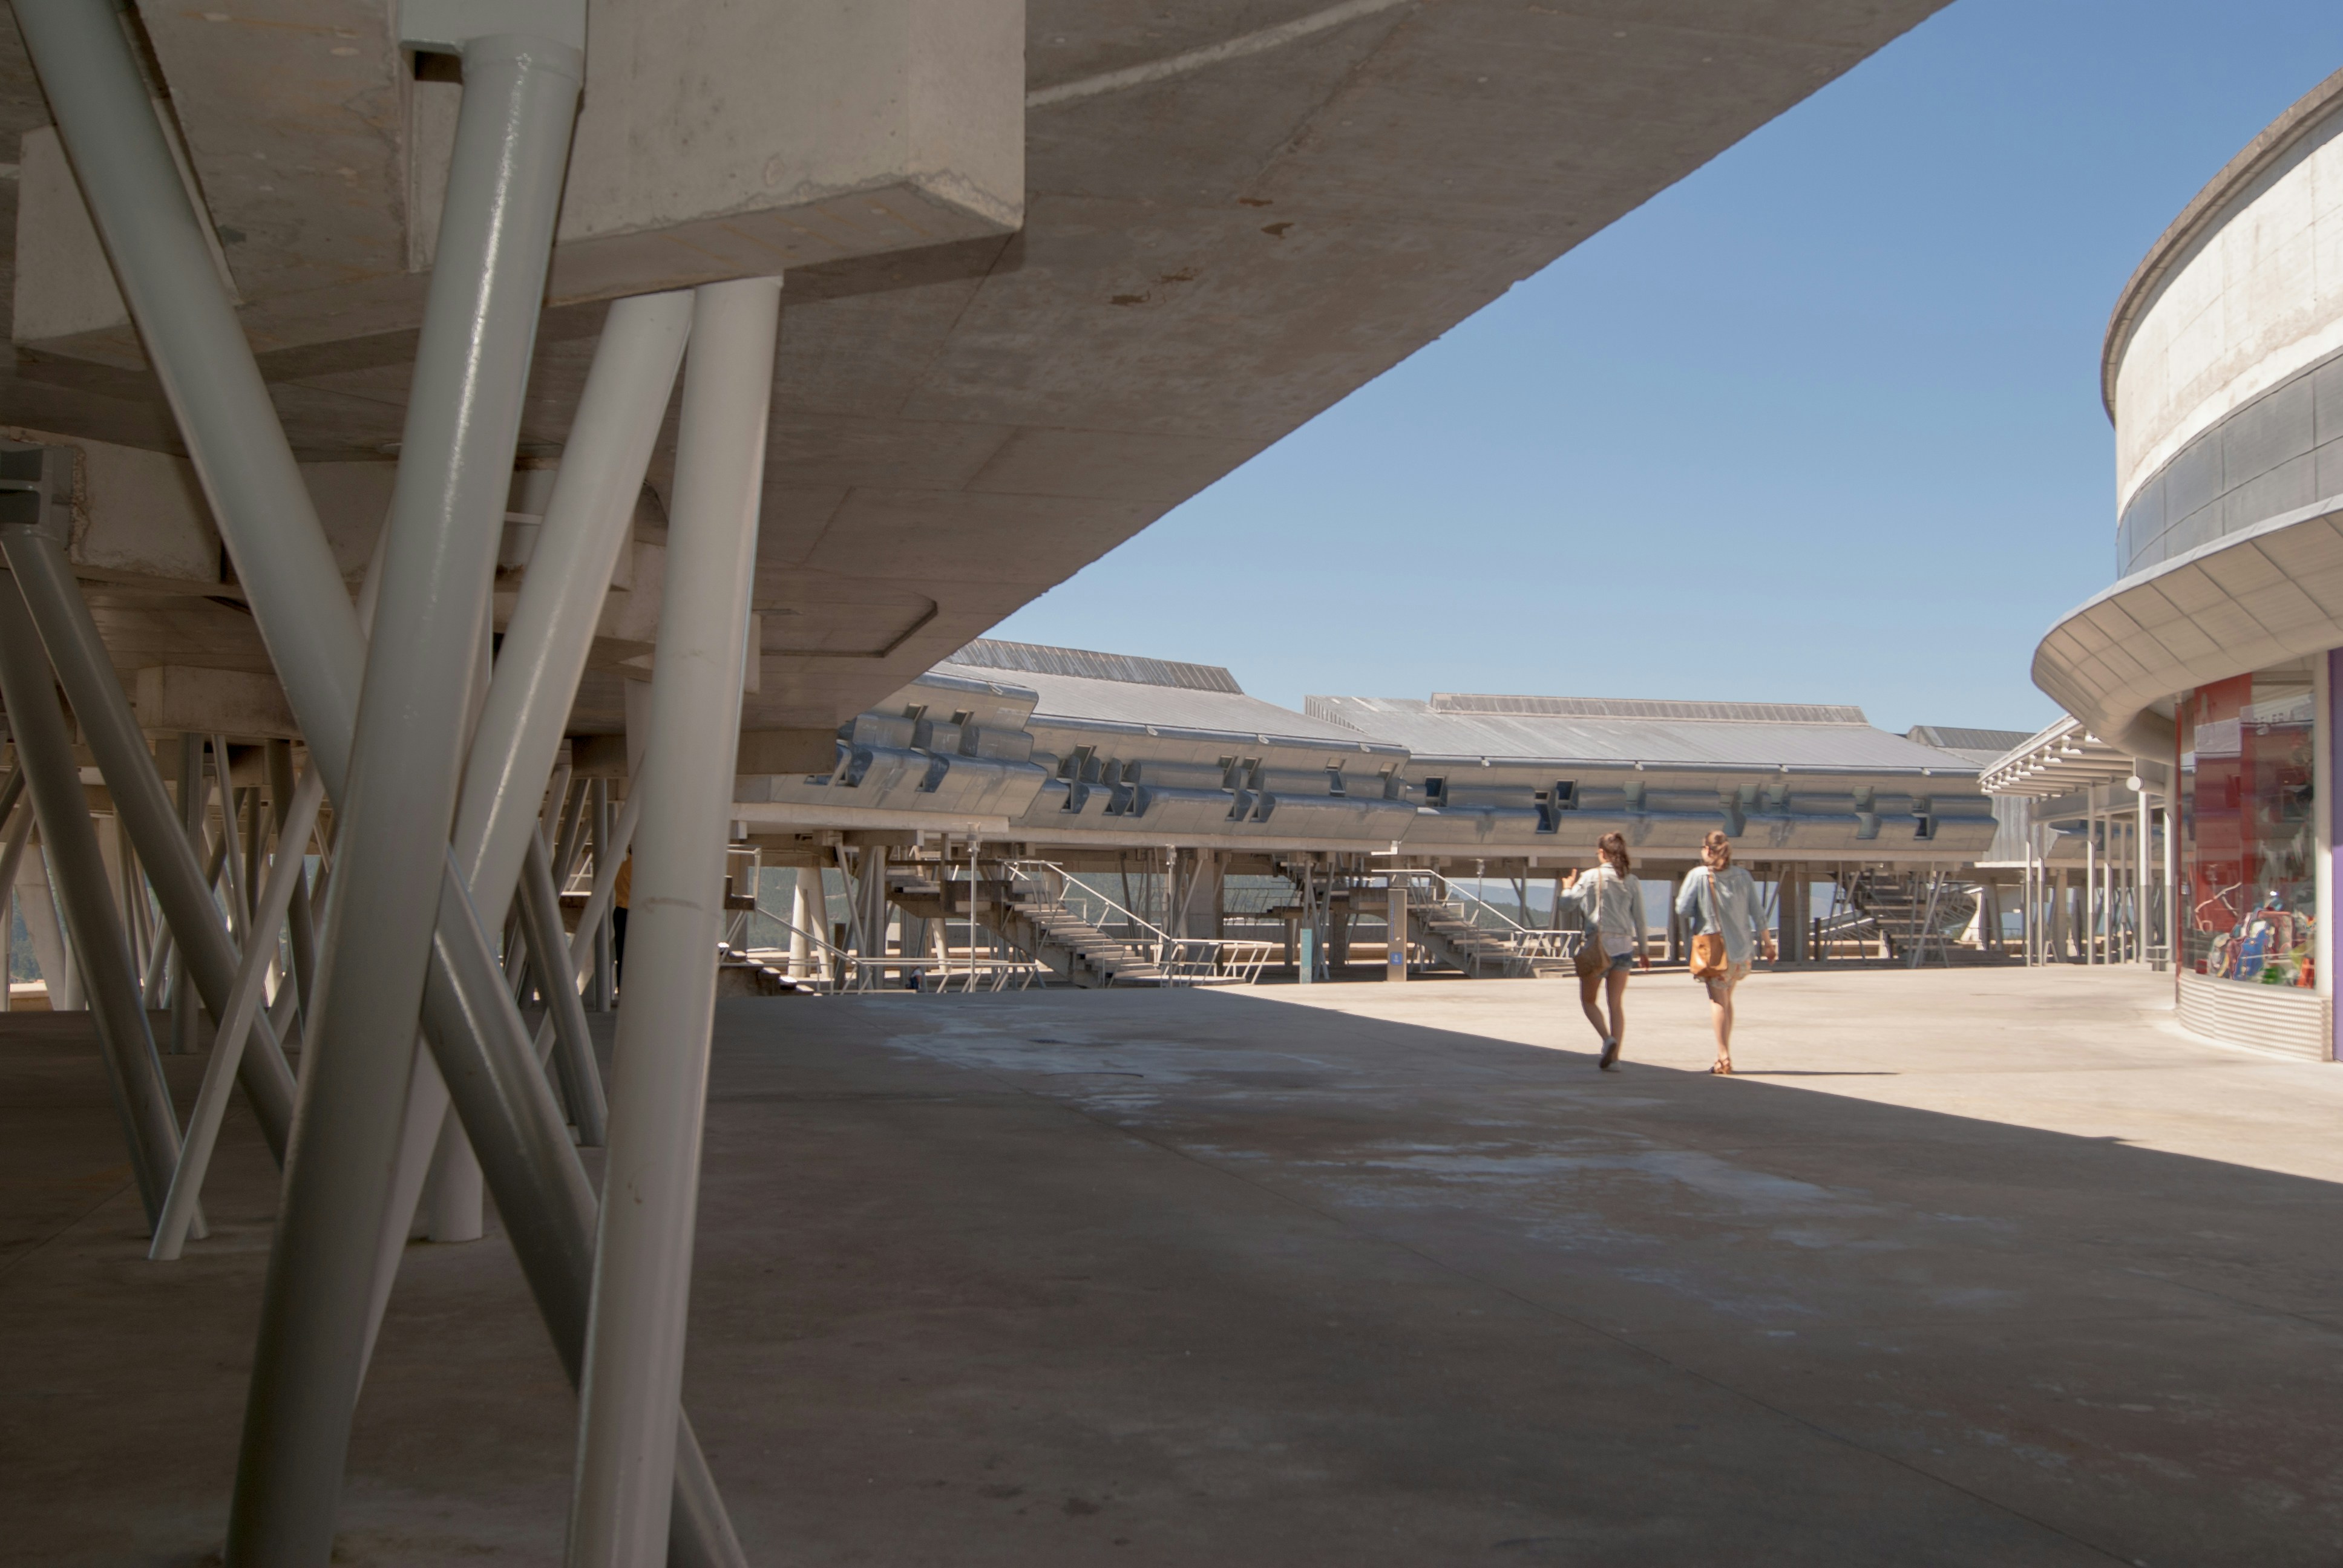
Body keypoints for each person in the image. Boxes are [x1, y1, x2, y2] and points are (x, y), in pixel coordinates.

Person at [1676, 830, 1772, 1074]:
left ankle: (1723, 1055)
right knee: (1727, 1002)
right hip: (1741, 951)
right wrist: (1768, 944)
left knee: (1717, 1001)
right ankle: (1723, 1054)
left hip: (1714, 950)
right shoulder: (1743, 876)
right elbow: (1758, 914)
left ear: (1708, 850)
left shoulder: (1698, 875)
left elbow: (1682, 909)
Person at [1557, 831, 1648, 1070]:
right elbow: (1639, 918)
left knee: (1588, 1000)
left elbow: (1567, 905)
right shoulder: (1631, 880)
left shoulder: (1590, 877)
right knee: (1616, 1004)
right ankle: (1616, 1058)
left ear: (1603, 853)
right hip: (1625, 946)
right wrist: (1645, 950)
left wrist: (1566, 888)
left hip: (1599, 946)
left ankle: (1607, 1039)